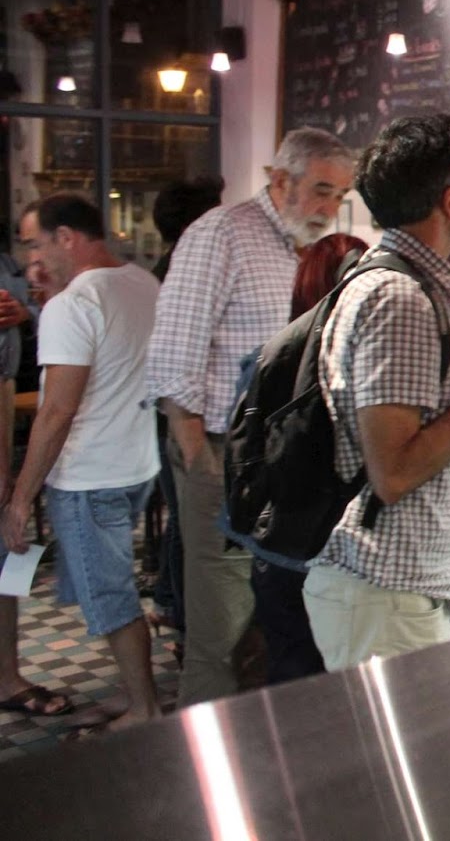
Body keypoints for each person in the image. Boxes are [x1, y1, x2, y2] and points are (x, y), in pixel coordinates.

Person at [303, 115, 450, 670]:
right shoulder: (401, 299)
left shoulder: (391, 282)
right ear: (449, 201)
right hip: (383, 586)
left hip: (385, 585)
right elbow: (393, 473)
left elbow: (392, 443)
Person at [147, 127, 356, 706]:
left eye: (339, 196)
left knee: (268, 625)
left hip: (277, 461)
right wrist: (201, 462)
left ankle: (258, 762)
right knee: (220, 627)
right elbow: (173, 359)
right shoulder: (220, 234)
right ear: (279, 180)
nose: (329, 208)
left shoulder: (304, 248)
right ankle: (201, 765)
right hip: (218, 451)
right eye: (320, 190)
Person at [1, 194, 163, 732]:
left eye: (35, 242)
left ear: (66, 237)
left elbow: (57, 411)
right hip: (137, 464)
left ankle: (143, 709)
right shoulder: (140, 283)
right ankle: (129, 692)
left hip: (89, 475)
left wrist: (21, 499)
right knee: (116, 584)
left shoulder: (75, 304)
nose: (32, 257)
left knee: (112, 596)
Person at [224, 232, 368, 685]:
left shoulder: (267, 354)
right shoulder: (354, 360)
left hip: (276, 540)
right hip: (334, 547)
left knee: (289, 668)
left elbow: (242, 452)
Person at [0, 202, 73, 721]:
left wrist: (27, 313)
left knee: (6, 565)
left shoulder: (6, 264)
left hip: (4, 416)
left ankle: (6, 674)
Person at [147, 175, 224, 650]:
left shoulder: (166, 268)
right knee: (187, 521)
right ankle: (180, 612)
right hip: (182, 422)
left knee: (183, 520)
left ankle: (171, 602)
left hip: (175, 422)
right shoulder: (182, 272)